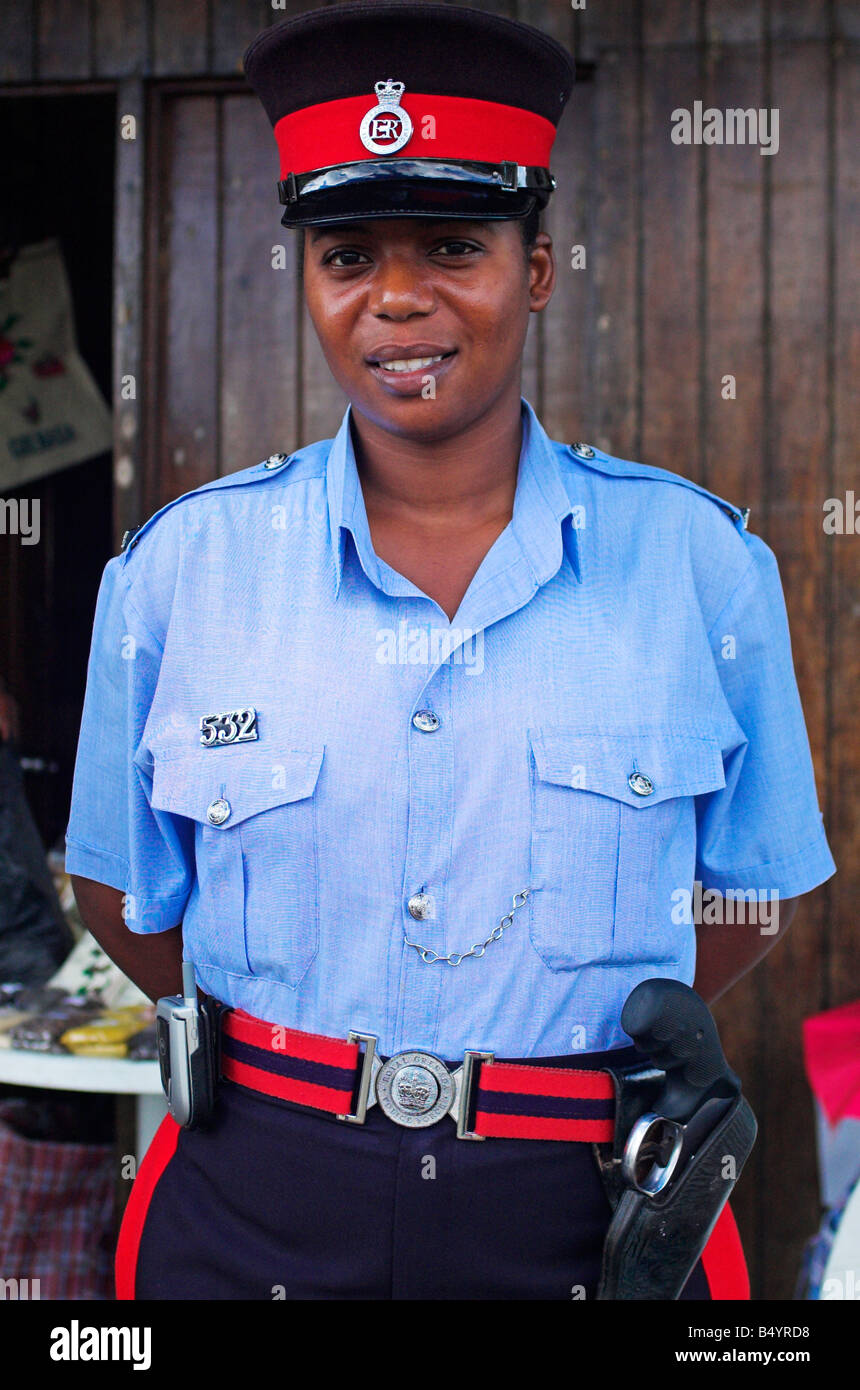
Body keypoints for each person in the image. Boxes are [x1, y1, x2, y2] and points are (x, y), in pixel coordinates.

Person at [65, 1, 836, 1301]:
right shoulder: (178, 574)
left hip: (587, 1215)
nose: (399, 298)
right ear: (306, 278)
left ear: (535, 267)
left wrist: (563, 1031)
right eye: (347, 253)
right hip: (250, 1206)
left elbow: (752, 893)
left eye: (453, 245)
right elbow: (118, 889)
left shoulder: (699, 566)